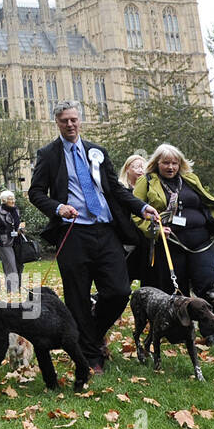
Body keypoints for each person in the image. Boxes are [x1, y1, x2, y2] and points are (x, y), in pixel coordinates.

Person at [28, 101, 161, 373]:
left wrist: (142, 207)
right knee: (76, 297)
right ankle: (90, 356)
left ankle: (90, 333)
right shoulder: (48, 154)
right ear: (57, 122)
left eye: (74, 119)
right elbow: (36, 192)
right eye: (65, 120)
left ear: (80, 120)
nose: (70, 124)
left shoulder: (96, 151)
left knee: (119, 291)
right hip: (72, 232)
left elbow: (115, 188)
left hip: (105, 230)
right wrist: (57, 207)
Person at [130, 145, 214, 322]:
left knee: (208, 283)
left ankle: (212, 329)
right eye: (166, 163)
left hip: (200, 241)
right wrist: (155, 230)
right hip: (170, 243)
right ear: (157, 163)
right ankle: (177, 328)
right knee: (175, 287)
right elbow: (135, 211)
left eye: (175, 163)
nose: (170, 167)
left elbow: (208, 204)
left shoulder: (190, 179)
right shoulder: (147, 180)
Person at [0, 189, 26, 294]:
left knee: (19, 265)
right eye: (10, 199)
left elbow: (17, 225)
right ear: (4, 201)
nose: (13, 201)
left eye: (13, 199)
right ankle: (12, 291)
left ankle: (17, 289)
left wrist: (21, 228)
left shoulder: (16, 210)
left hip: (17, 241)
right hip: (4, 243)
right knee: (11, 266)